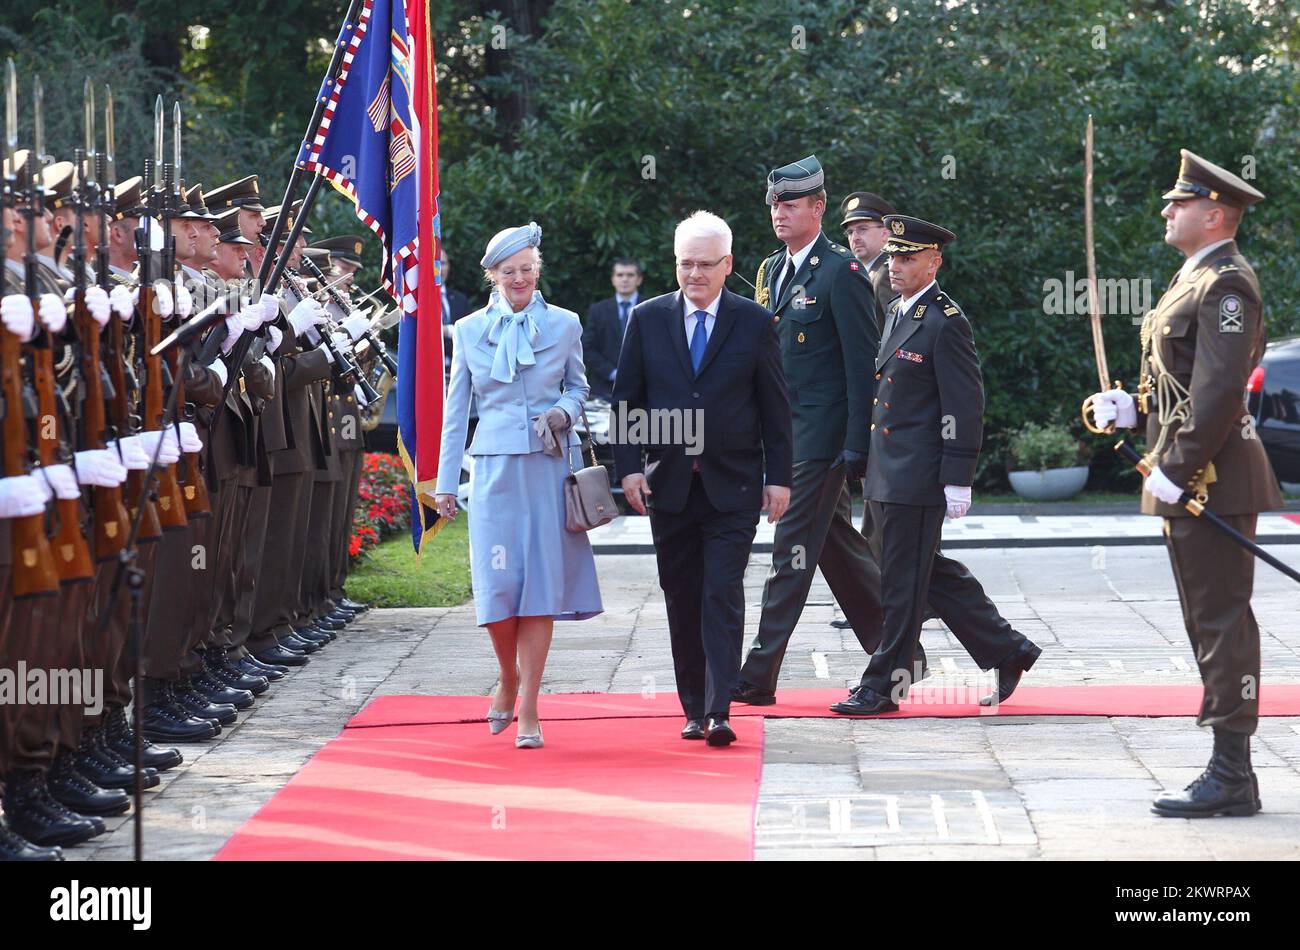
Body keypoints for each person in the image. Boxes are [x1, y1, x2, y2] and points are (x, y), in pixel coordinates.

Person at [1087, 151, 1282, 818]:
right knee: (1208, 618)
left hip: (1212, 480)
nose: (1167, 211)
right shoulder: (1192, 278)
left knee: (1222, 619)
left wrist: (1176, 468)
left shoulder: (1228, 285)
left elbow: (1221, 390)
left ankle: (1231, 774)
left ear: (1216, 213)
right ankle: (1232, 769)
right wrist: (1132, 410)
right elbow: (1178, 386)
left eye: (1180, 202)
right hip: (1194, 477)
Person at [831, 215, 1040, 716]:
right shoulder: (900, 312)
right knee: (926, 572)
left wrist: (957, 477)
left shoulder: (946, 322)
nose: (896, 266)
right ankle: (1009, 648)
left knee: (902, 583)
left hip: (918, 476)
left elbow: (963, 407)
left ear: (933, 261)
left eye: (907, 258)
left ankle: (884, 685)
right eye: (893, 257)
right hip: (888, 472)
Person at [613, 212, 791, 747]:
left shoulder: (754, 322)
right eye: (685, 263)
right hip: (668, 487)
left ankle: (719, 711)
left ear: (727, 265)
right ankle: (692, 708)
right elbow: (627, 402)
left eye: (705, 264)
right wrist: (627, 470)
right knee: (681, 596)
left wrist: (778, 478)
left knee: (722, 594)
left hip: (732, 486)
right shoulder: (646, 320)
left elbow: (775, 408)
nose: (694, 274)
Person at [434, 223, 603, 749]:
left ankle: (530, 703)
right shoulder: (465, 330)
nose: (521, 279)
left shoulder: (565, 323)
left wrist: (563, 409)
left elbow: (579, 386)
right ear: (493, 276)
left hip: (549, 468)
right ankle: (507, 676)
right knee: (497, 588)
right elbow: (456, 409)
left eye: (528, 269)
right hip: (493, 471)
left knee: (539, 588)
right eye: (510, 272)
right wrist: (444, 483)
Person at [732, 155, 890, 706]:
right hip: (782, 436)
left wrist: (856, 445)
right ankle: (903, 652)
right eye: (775, 203)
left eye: (791, 203)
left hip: (822, 441)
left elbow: (860, 365)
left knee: (790, 551)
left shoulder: (840, 273)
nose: (779, 212)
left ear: (817, 208)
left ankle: (757, 673)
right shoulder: (772, 270)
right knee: (836, 550)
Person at [583, 258, 643, 399]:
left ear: (639, 279)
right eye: (620, 275)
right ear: (613, 280)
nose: (625, 279)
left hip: (644, 388)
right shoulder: (598, 310)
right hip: (604, 389)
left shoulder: (652, 308)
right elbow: (587, 348)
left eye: (630, 275)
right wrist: (612, 373)